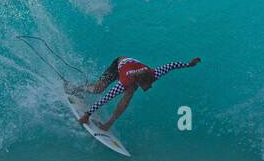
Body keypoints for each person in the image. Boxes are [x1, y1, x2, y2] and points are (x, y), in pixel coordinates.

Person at [72, 56, 201, 131]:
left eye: (149, 85)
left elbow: (171, 65)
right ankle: (76, 89)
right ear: (138, 81)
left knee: (129, 95)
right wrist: (87, 115)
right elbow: (105, 99)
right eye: (145, 86)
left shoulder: (154, 73)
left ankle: (109, 123)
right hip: (119, 65)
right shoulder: (126, 80)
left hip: (134, 71)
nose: (148, 88)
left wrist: (189, 64)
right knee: (98, 89)